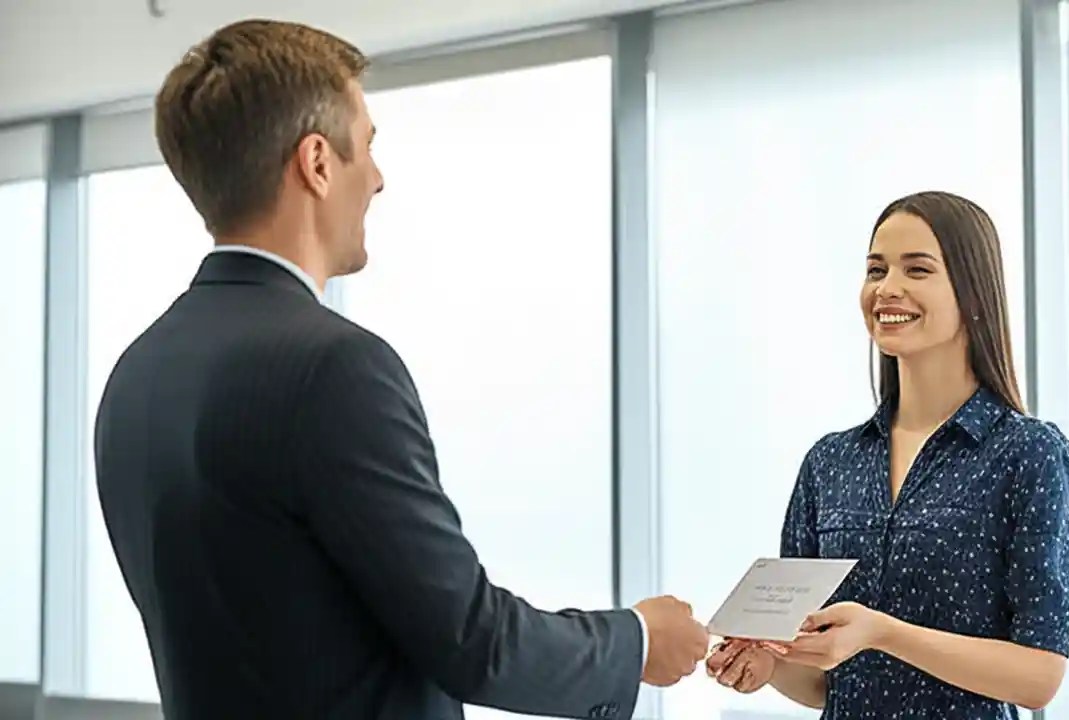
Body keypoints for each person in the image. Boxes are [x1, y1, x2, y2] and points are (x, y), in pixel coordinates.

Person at [93, 19, 708, 720]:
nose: (379, 179)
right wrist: (636, 641)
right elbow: (473, 642)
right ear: (317, 163)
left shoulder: (134, 375)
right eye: (369, 147)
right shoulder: (336, 368)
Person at [705, 191, 1069, 718]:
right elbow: (825, 684)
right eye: (876, 269)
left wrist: (883, 633)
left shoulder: (1030, 456)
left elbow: (1039, 675)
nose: (887, 289)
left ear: (973, 293)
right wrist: (770, 665)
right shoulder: (828, 463)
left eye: (918, 270)